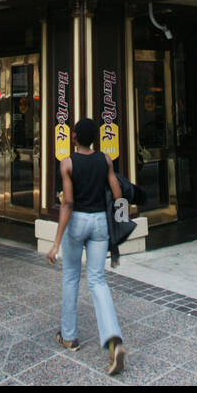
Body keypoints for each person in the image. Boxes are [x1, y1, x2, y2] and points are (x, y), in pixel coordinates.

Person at [45, 117, 125, 376]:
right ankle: (113, 339)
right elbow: (117, 193)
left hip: (77, 221)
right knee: (97, 280)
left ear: (75, 137)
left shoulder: (67, 163)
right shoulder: (105, 161)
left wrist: (56, 242)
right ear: (96, 139)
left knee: (70, 278)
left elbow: (67, 203)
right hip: (100, 222)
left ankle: (69, 336)